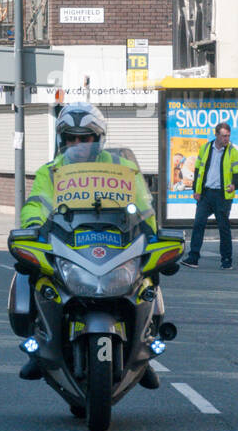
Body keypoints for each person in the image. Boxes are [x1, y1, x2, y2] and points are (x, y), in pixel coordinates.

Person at [18, 102, 158, 384]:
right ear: (62, 140)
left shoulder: (123, 167)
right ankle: (40, 347)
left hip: (118, 242)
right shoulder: (51, 172)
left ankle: (143, 347)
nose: (78, 144)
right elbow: (36, 204)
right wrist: (33, 226)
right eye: (71, 138)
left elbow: (144, 207)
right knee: (31, 269)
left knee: (151, 273)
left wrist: (152, 233)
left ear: (98, 139)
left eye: (85, 138)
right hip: (68, 240)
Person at [183, 121, 238, 270]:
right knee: (198, 224)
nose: (227, 139)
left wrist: (234, 185)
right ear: (217, 135)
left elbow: (236, 172)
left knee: (223, 227)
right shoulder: (206, 148)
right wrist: (196, 189)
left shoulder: (233, 151)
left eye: (228, 136)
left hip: (222, 195)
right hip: (206, 194)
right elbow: (198, 169)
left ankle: (226, 260)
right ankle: (193, 258)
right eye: (224, 136)